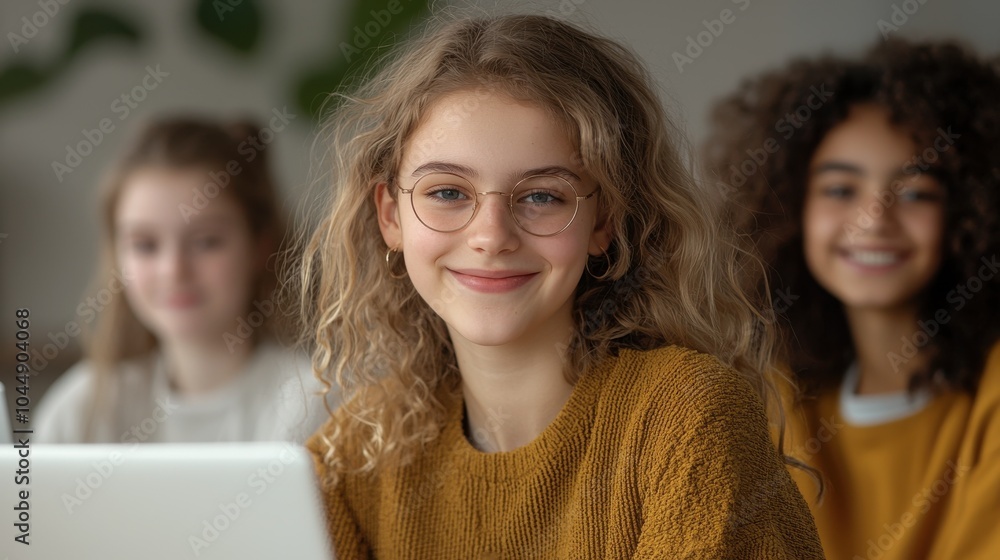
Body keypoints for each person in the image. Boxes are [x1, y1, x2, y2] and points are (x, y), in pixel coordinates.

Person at [297, 13, 823, 558]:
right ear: (391, 216)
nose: (491, 237)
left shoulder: (687, 418)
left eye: (543, 196)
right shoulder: (352, 457)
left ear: (604, 221)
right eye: (448, 192)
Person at [704, 38, 1000, 559]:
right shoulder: (772, 397)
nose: (873, 221)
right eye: (841, 190)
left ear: (971, 213)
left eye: (915, 193)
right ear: (790, 209)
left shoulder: (991, 392)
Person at [36, 117, 331, 444]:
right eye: (145, 245)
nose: (174, 270)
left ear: (259, 246)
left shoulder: (319, 405)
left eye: (206, 241)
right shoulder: (81, 410)